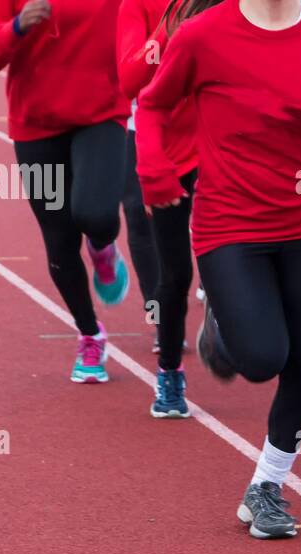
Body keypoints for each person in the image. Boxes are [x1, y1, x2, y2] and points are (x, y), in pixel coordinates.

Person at [137, 0, 301, 538]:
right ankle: (223, 325)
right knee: (264, 356)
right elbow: (152, 106)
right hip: (231, 225)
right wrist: (154, 170)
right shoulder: (204, 36)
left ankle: (266, 487)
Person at [0, 0, 132, 384]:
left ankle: (103, 248)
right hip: (36, 126)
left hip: (101, 114)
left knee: (97, 215)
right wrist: (18, 26)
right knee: (59, 243)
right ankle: (90, 334)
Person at [118, 0, 201, 417]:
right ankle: (170, 373)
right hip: (160, 143)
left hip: (220, 137)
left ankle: (229, 317)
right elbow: (130, 77)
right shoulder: (138, 5)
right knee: (177, 272)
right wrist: (170, 30)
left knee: (234, 249)